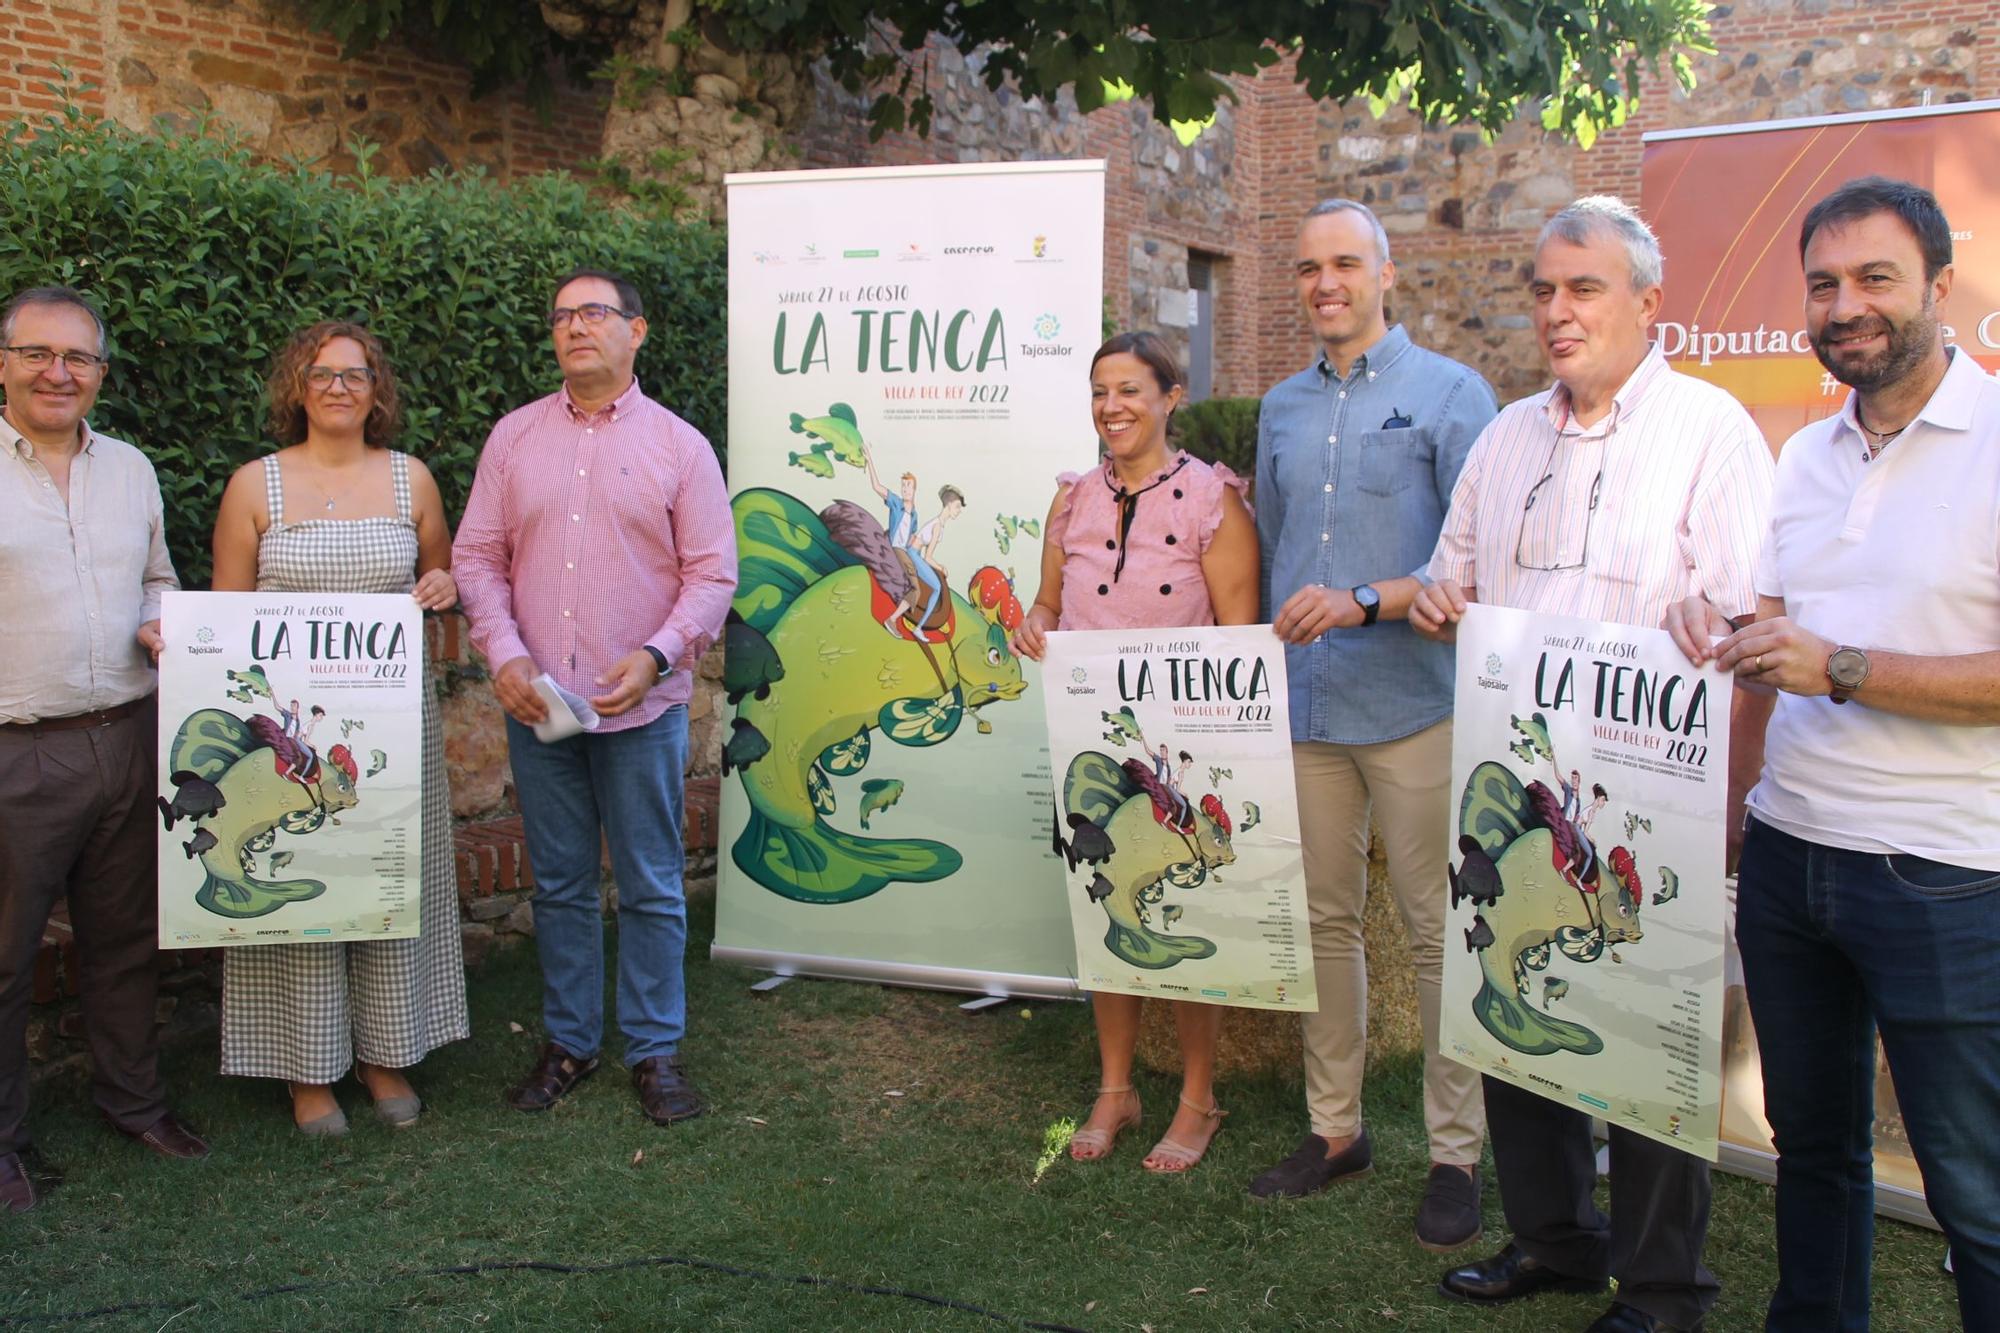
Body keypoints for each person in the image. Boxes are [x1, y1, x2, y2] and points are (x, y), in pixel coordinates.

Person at [1411, 196, 1775, 1333]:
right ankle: (1556, 1240)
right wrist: (1435, 599)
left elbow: (1750, 611)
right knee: (1515, 992)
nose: (1556, 311)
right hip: (1522, 788)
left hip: (1644, 795)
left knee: (1646, 1029)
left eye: (1583, 287)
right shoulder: (1506, 434)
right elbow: (1448, 576)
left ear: (1645, 302)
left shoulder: (1710, 429)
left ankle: (1664, 1290)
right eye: (1542, 289)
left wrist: (1707, 622)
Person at [1666, 177, 2000, 1331]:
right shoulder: (1803, 455)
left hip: (1944, 876)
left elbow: (1835, 659)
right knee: (1808, 1148)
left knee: (1975, 1187)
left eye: (1873, 278)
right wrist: (1728, 659)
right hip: (1788, 858)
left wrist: (1840, 666)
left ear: (1939, 289)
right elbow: (1776, 642)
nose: (1843, 303)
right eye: (1821, 283)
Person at [1248, 197, 1499, 1251]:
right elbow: (1272, 536)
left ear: (1384, 274)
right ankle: (1334, 1130)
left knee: (1439, 930)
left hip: (1413, 706)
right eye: (1307, 267)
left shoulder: (1452, 394)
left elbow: (1477, 558)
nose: (1323, 284)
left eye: (1343, 263)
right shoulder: (1278, 406)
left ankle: (1454, 1153)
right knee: (1322, 926)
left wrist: (1365, 596)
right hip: (1306, 710)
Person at [455, 267, 736, 1125]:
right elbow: (476, 558)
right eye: (564, 316)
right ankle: (570, 1041)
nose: (577, 327)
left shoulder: (680, 445)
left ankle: (654, 1050)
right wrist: (502, 652)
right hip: (542, 707)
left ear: (636, 331)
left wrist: (656, 655)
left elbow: (713, 574)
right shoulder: (513, 439)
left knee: (651, 882)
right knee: (564, 884)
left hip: (641, 707)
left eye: (596, 313)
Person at [208, 321, 469, 1135]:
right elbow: (224, 615)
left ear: (376, 390)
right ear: (298, 387)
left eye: (356, 375)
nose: (338, 387)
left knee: (385, 877)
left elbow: (442, 570)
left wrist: (439, 581)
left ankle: (386, 1051)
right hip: (292, 732)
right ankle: (306, 1067)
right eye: (322, 374)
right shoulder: (256, 486)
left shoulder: (410, 480)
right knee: (301, 870)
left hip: (389, 724)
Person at [1009, 330, 1257, 1173]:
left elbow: (1239, 641)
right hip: (1088, 744)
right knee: (1104, 904)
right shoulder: (1071, 500)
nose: (1111, 406)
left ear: (1171, 397)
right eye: (1099, 391)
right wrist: (1035, 628)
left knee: (1186, 915)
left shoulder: (1212, 501)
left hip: (1180, 756)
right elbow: (1045, 607)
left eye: (1130, 390)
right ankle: (1116, 1088)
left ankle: (1198, 1096)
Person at [0, 285, 208, 1210]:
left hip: (127, 736)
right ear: (3, 361)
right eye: (39, 354)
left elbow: (159, 578)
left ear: (101, 372)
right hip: (16, 752)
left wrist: (162, 624)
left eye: (78, 358)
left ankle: (133, 1100)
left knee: (124, 940)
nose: (58, 373)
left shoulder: (131, 468)